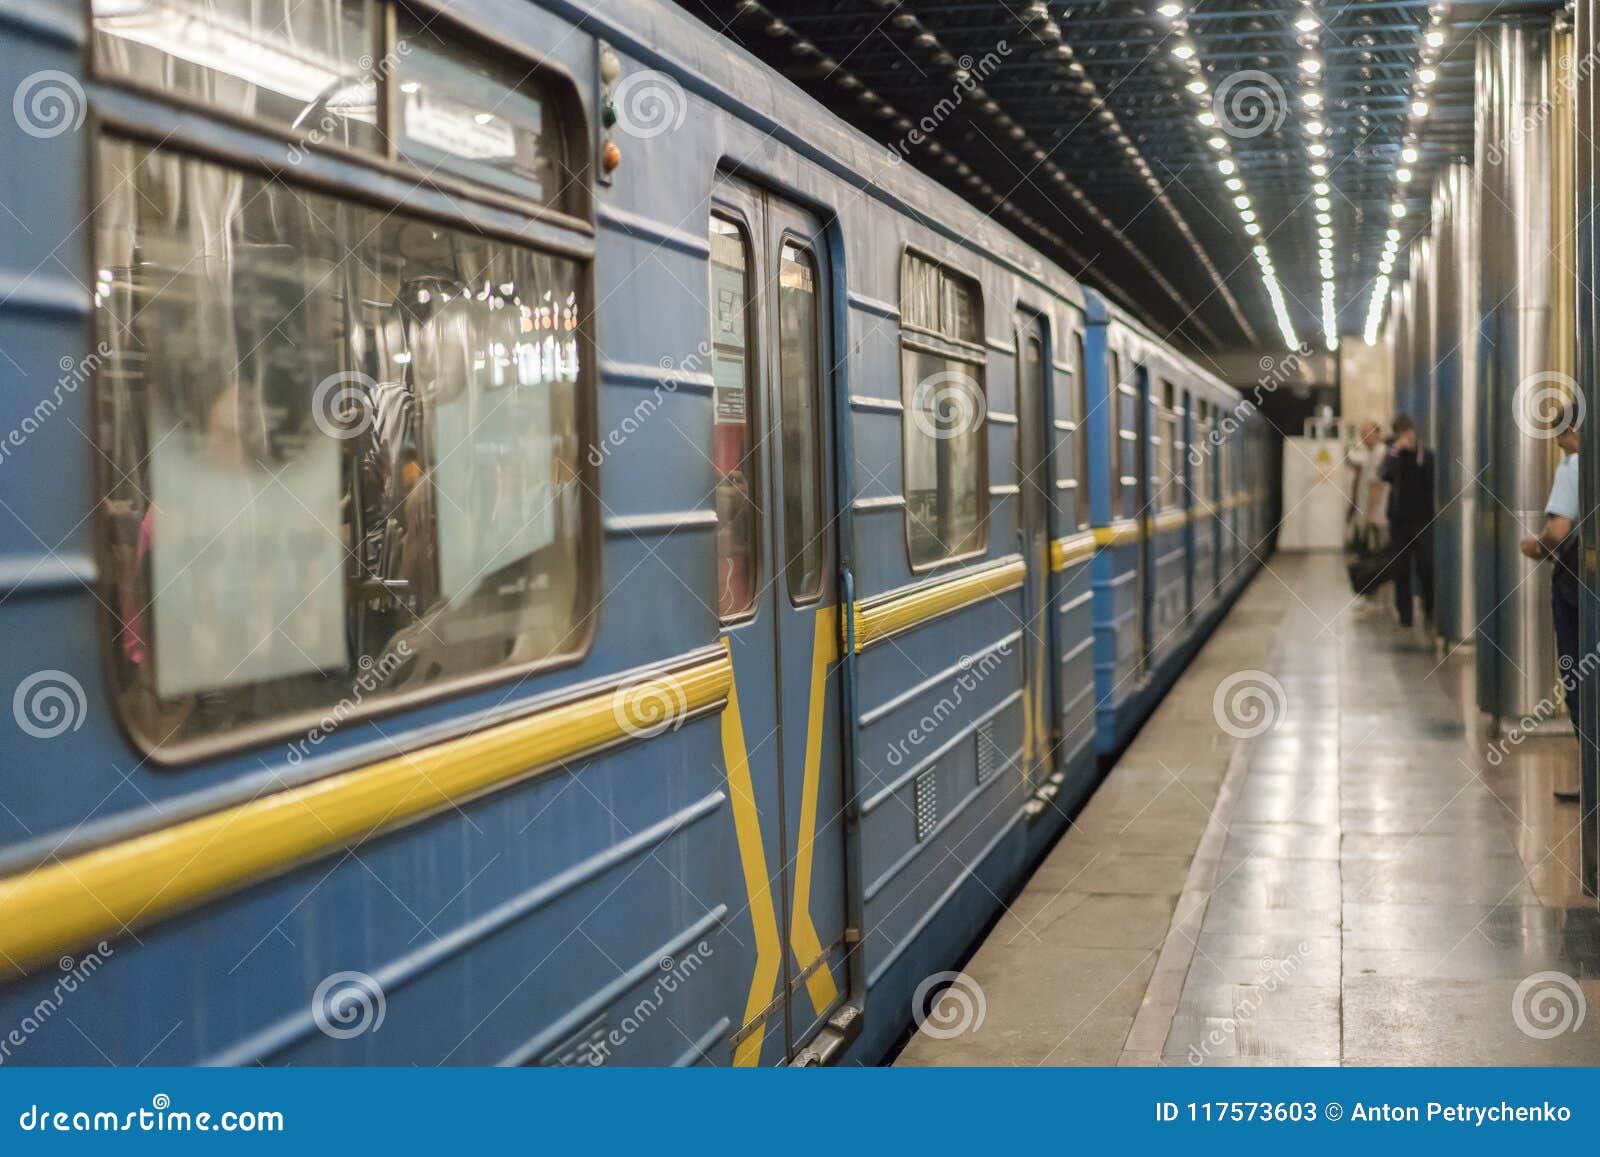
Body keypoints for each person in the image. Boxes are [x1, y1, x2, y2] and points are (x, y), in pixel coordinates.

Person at [1520, 403, 1584, 803]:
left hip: (1575, 588)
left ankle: (1593, 777)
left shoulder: (1573, 465)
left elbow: (1559, 531)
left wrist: (1534, 546)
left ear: (1569, 432)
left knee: (1578, 680)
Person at [1381, 414, 1434, 630]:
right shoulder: (1394, 454)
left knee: (1426, 566)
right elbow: (1385, 474)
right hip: (1399, 520)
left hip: (1422, 519)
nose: (1406, 436)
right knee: (1401, 568)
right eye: (1401, 433)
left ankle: (1429, 609)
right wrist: (1396, 450)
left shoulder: (1425, 454)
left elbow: (1431, 479)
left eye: (1408, 432)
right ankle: (1405, 615)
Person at [1347, 420, 1388, 551]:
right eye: (1362, 433)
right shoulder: (1370, 453)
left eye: (1367, 433)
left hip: (1376, 515)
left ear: (1377, 433)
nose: (1364, 437)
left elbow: (1375, 484)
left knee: (1378, 553)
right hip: (1370, 513)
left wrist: (1369, 514)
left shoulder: (1379, 452)